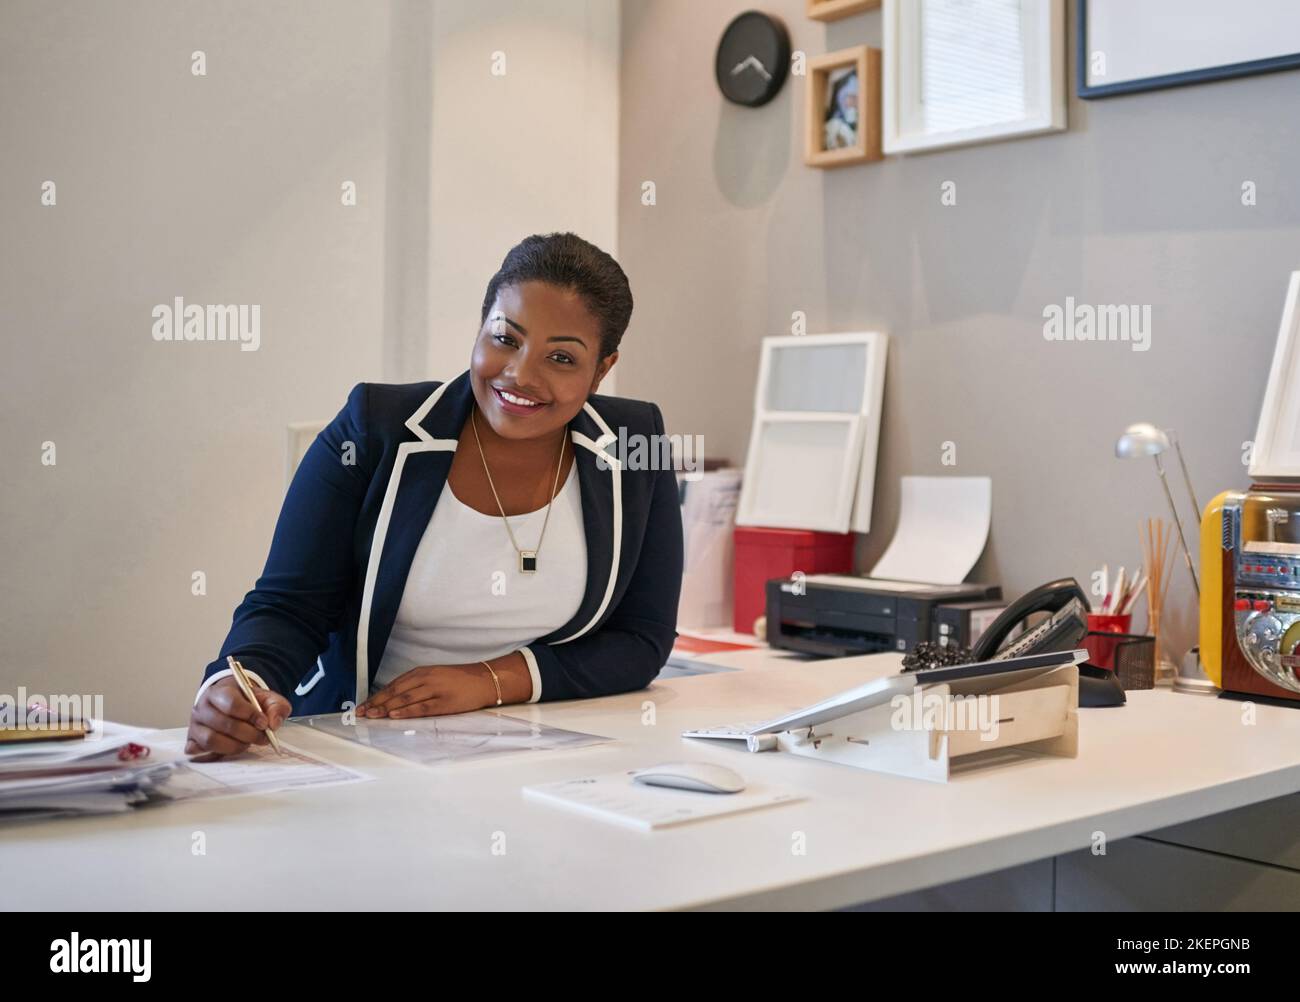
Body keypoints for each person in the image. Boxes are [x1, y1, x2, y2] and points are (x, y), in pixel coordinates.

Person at [185, 233, 683, 759]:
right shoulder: (374, 428)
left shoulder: (634, 443)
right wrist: (238, 684)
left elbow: (642, 638)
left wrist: (489, 680)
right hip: (368, 740)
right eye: (505, 339)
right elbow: (290, 606)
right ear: (480, 327)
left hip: (550, 750)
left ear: (602, 368)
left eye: (560, 357)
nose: (520, 374)